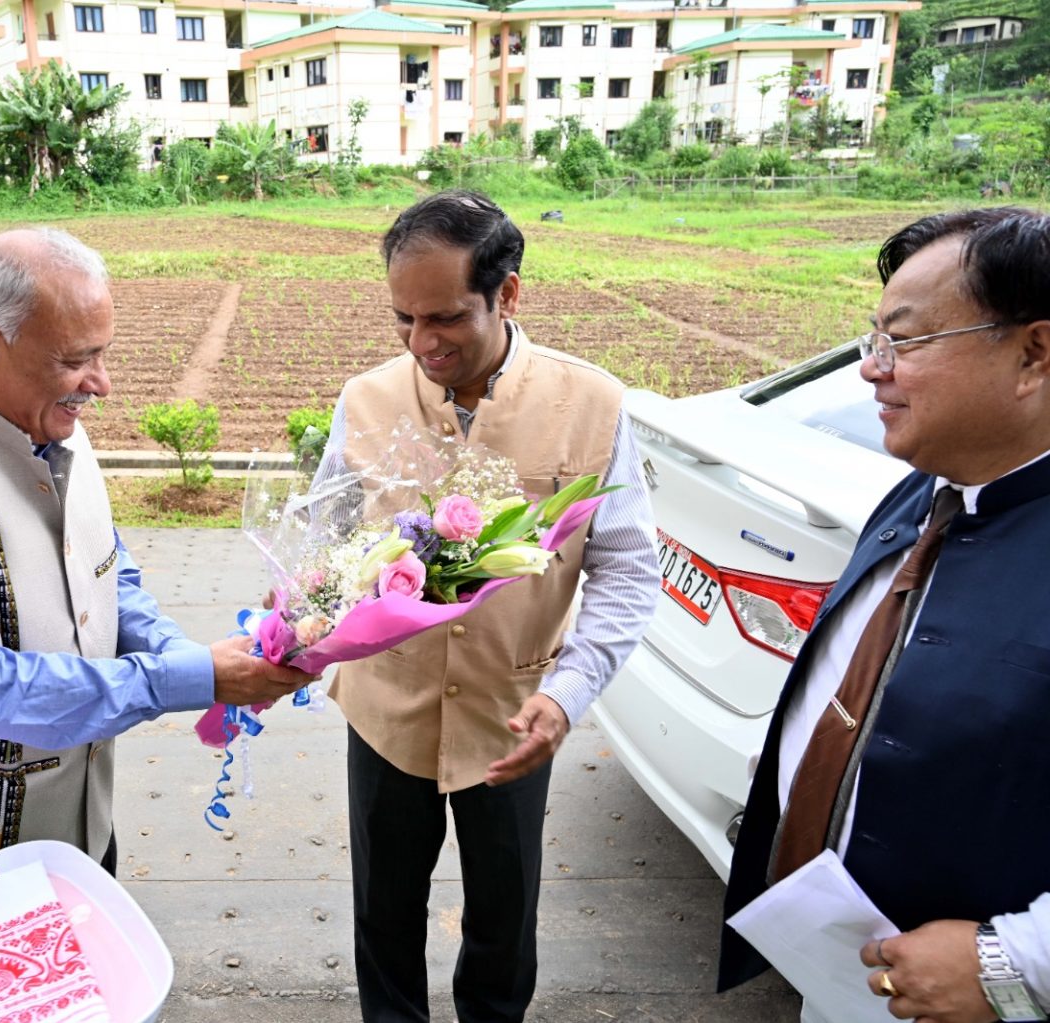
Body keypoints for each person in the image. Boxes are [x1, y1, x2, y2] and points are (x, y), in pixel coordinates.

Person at [0, 227, 313, 876]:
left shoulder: (57, 428)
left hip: (76, 832)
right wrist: (191, 677)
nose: (101, 384)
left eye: (103, 353)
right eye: (76, 358)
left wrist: (180, 652)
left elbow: (112, 577)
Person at [314, 190, 659, 1022]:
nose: (421, 343)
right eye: (402, 319)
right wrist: (308, 610)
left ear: (508, 294)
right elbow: (323, 544)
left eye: (444, 318)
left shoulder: (595, 403)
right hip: (385, 714)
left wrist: (568, 693)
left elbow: (627, 568)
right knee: (383, 913)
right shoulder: (365, 398)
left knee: (504, 921)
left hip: (515, 713)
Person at [719, 207, 1050, 1023]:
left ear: (1033, 353)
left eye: (904, 342)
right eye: (875, 340)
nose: (872, 370)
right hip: (850, 970)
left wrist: (1020, 961)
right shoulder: (921, 489)